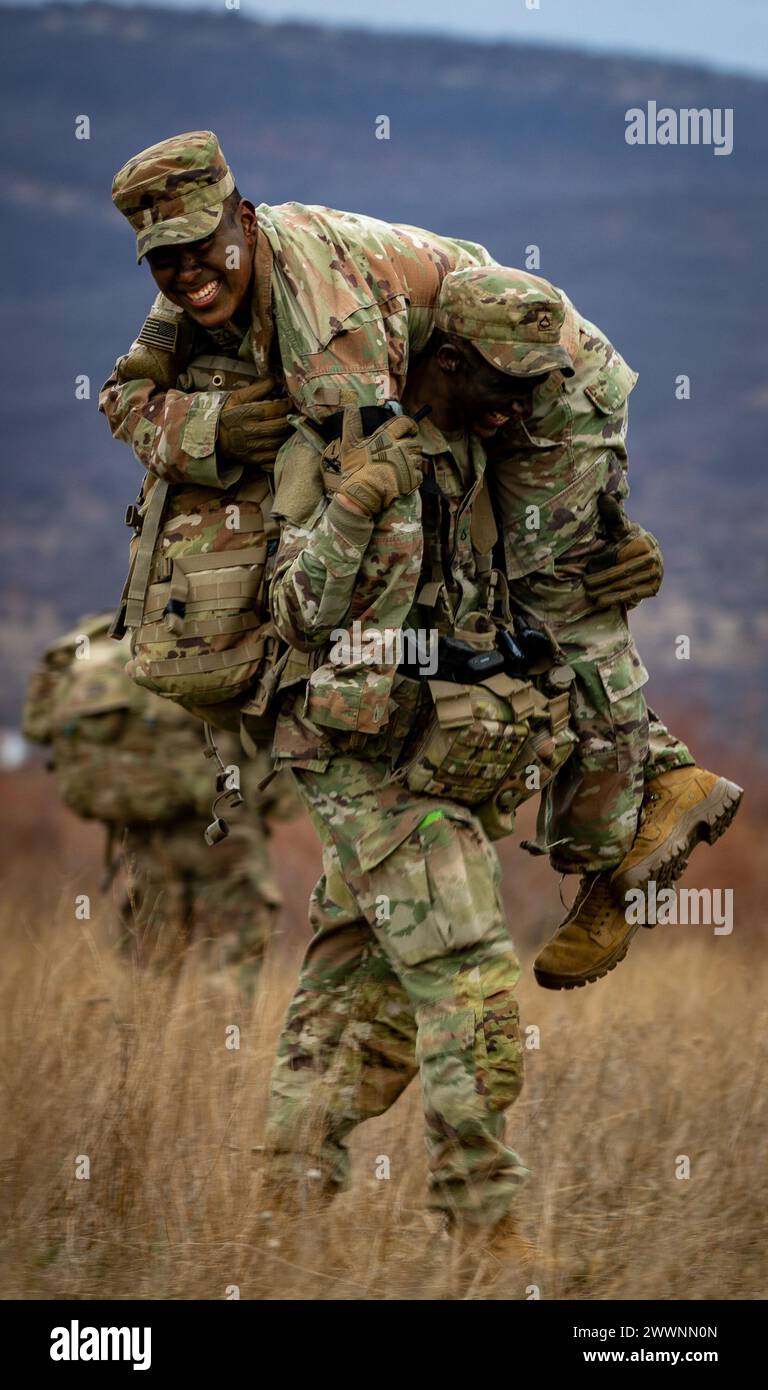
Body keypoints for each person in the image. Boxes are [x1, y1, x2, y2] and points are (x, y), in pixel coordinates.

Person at [256, 277, 580, 1251]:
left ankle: (280, 1209)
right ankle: (487, 1230)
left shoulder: (491, 461)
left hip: (443, 765)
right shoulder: (349, 453)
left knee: (365, 998)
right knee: (474, 976)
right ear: (447, 360)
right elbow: (298, 612)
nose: (522, 402)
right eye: (505, 380)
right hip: (360, 763)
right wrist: (354, 503)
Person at [23, 613, 296, 983]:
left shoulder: (101, 648)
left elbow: (37, 728)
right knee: (233, 947)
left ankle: (136, 1034)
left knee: (147, 951)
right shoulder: (221, 635)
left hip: (143, 824)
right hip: (220, 824)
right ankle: (223, 1037)